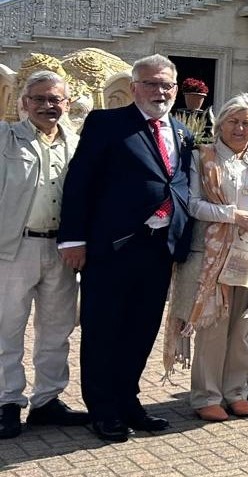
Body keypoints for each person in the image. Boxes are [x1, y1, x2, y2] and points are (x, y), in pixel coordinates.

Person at [59, 54, 195, 443]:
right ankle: (103, 410)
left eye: (167, 84)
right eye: (151, 84)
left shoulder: (182, 132)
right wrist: (73, 239)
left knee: (141, 330)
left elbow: (179, 184)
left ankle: (129, 400)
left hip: (160, 249)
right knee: (104, 330)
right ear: (134, 87)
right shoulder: (106, 124)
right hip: (112, 248)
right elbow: (80, 182)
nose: (160, 91)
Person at [175, 94, 248, 422]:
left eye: (246, 123)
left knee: (244, 327)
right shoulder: (204, 157)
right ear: (219, 124)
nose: (240, 128)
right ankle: (206, 396)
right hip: (216, 256)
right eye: (233, 122)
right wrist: (234, 216)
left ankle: (236, 392)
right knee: (213, 325)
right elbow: (193, 203)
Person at [0, 72, 89, 438]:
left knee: (57, 328)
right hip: (13, 248)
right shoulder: (6, 139)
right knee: (7, 328)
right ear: (24, 103)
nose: (47, 106)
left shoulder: (78, 144)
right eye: (39, 99)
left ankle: (47, 401)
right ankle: (6, 402)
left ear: (67, 104)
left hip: (63, 248)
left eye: (55, 99)